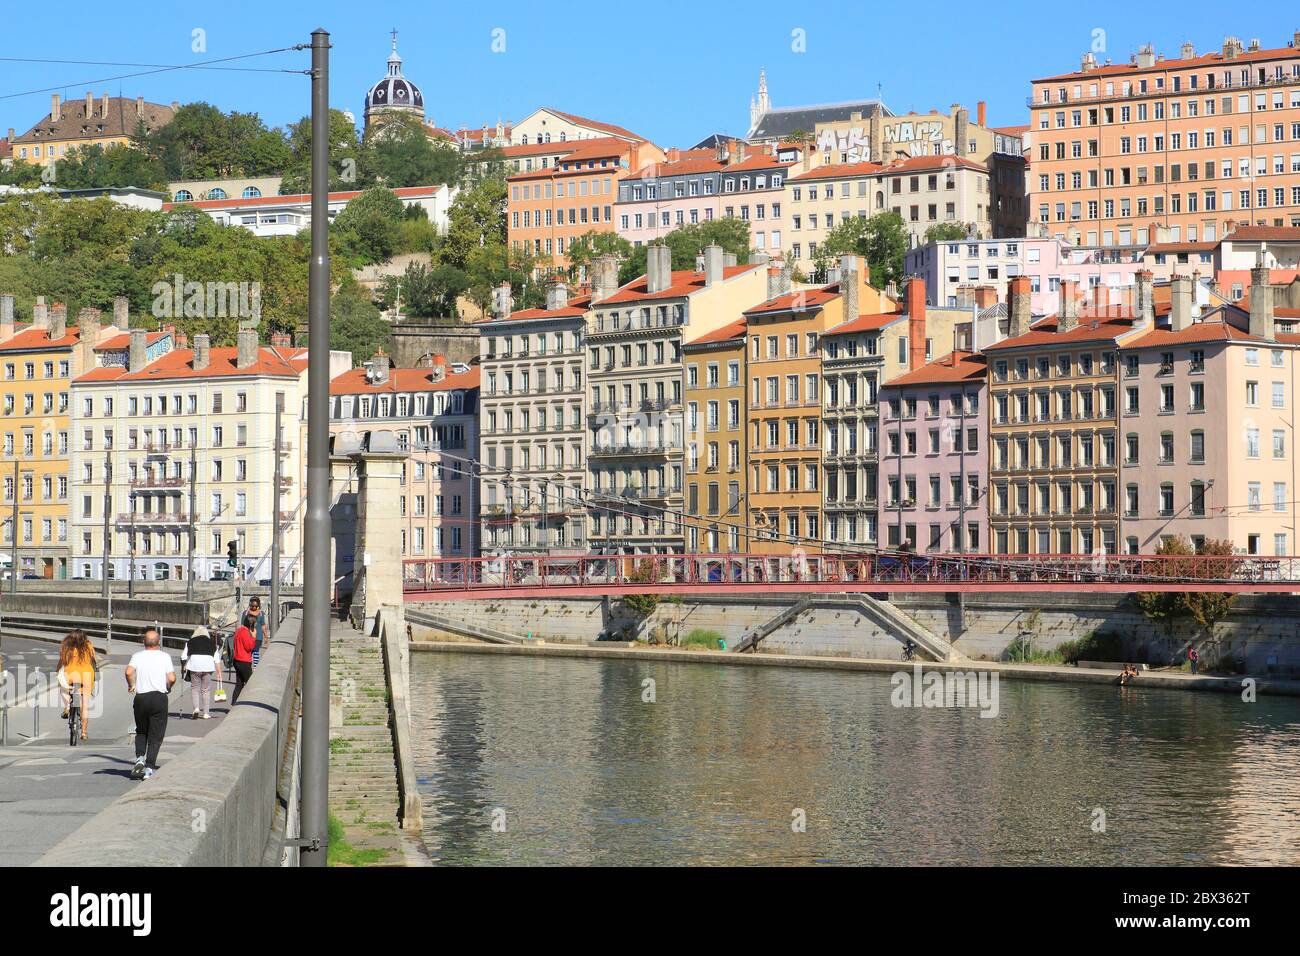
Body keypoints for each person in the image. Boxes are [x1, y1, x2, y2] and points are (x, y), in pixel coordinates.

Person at [125, 628, 176, 781]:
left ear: (144, 642)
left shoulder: (137, 656)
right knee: (156, 734)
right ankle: (149, 767)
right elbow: (172, 678)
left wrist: (131, 684)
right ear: (158, 642)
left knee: (141, 731)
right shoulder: (164, 657)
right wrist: (168, 687)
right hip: (159, 697)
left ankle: (140, 758)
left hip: (141, 698)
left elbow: (128, 672)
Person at [58, 629, 98, 740]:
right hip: (86, 676)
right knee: (85, 706)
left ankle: (66, 707)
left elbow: (61, 661)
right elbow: (93, 660)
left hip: (70, 675)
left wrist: (58, 671)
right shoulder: (88, 646)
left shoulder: (66, 646)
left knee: (63, 687)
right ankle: (84, 733)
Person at [182, 626, 217, 719]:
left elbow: (183, 656)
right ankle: (206, 713)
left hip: (195, 666)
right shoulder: (211, 643)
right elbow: (216, 658)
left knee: (195, 688)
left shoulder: (190, 642)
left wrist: (184, 665)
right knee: (206, 690)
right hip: (208, 667)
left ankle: (196, 708)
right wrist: (219, 672)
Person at [231, 612, 258, 703]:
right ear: (251, 624)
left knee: (239, 683)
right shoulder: (245, 633)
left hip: (237, 660)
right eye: (255, 623)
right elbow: (249, 647)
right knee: (250, 684)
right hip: (244, 661)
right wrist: (254, 637)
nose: (256, 625)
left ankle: (234, 702)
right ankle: (251, 701)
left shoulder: (239, 630)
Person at [248, 597, 267, 667]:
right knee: (249, 651)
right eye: (252, 606)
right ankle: (249, 665)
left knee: (256, 651)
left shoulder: (261, 614)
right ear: (250, 605)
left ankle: (255, 666)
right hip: (248, 635)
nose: (254, 607)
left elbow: (263, 625)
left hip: (258, 636)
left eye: (256, 606)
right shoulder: (246, 613)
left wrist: (265, 637)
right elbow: (242, 625)